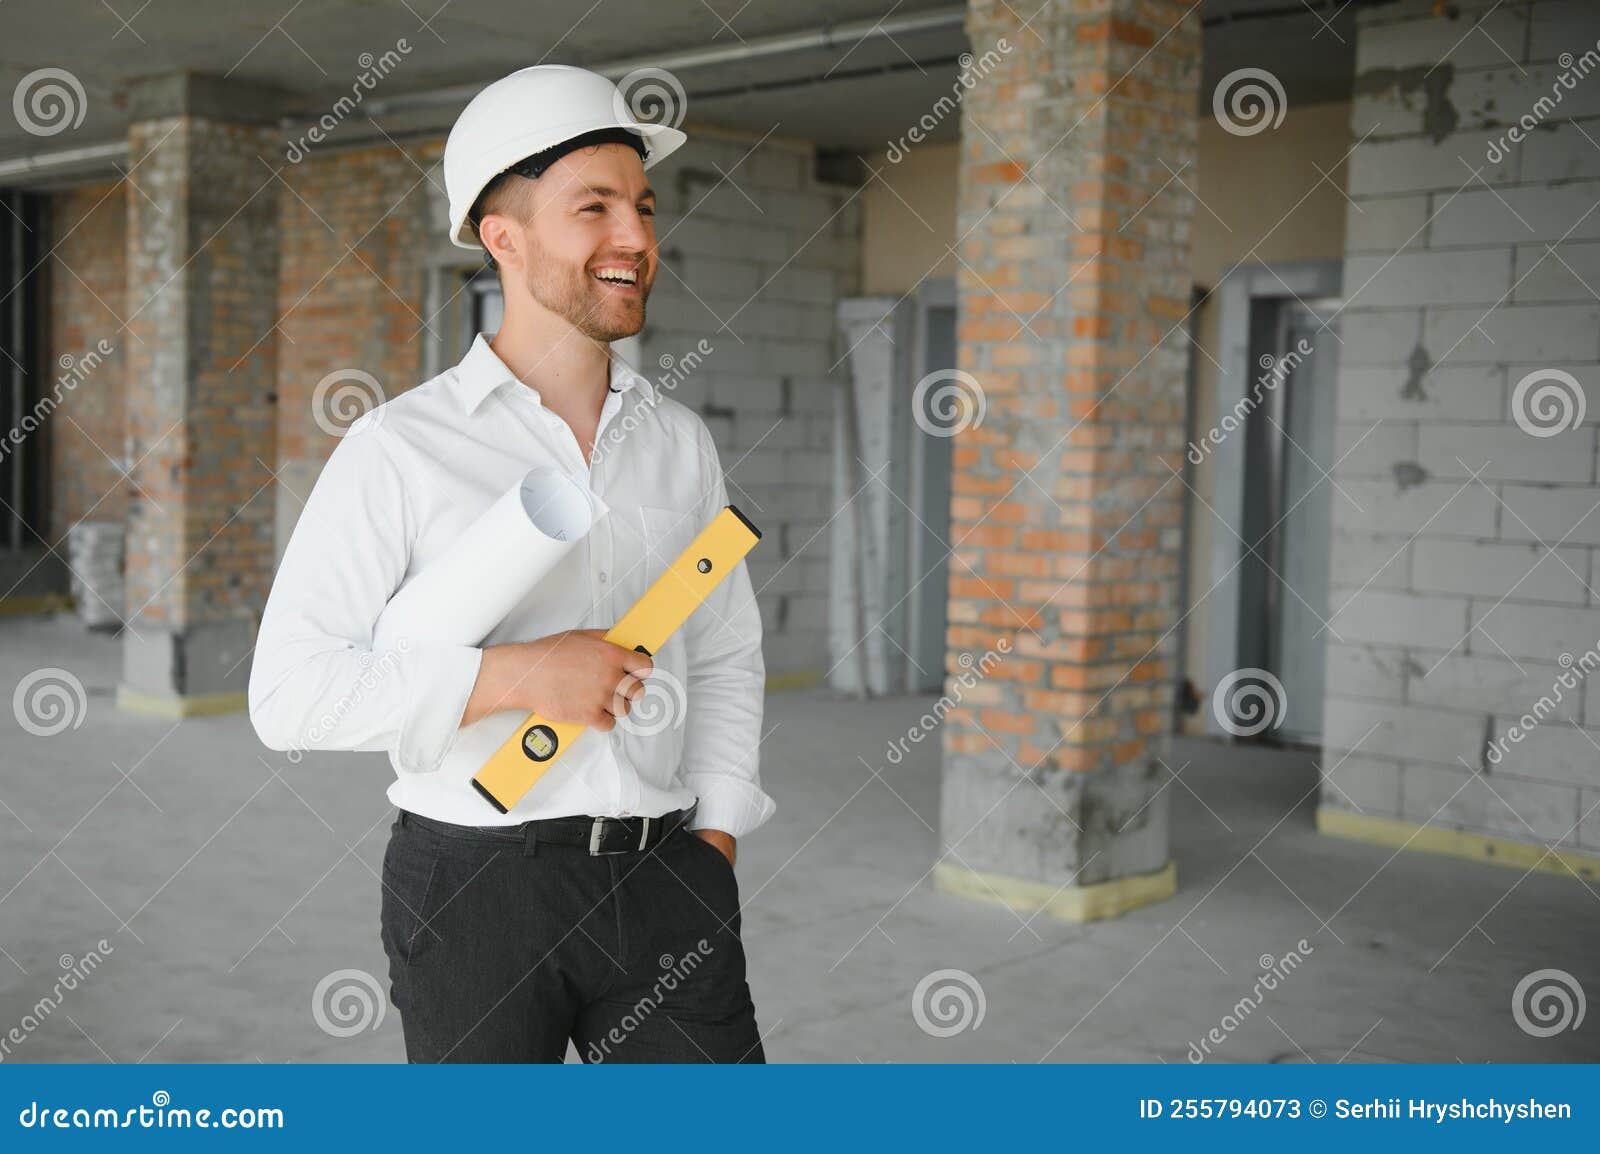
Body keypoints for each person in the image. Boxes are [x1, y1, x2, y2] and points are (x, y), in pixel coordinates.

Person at [248, 65, 773, 1063]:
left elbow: (725, 652)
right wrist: (518, 675)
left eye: (643, 206)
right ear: (505, 238)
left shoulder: (680, 441)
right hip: (477, 892)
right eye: (595, 208)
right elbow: (290, 695)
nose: (637, 238)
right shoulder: (400, 448)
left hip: (665, 872)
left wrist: (717, 837)